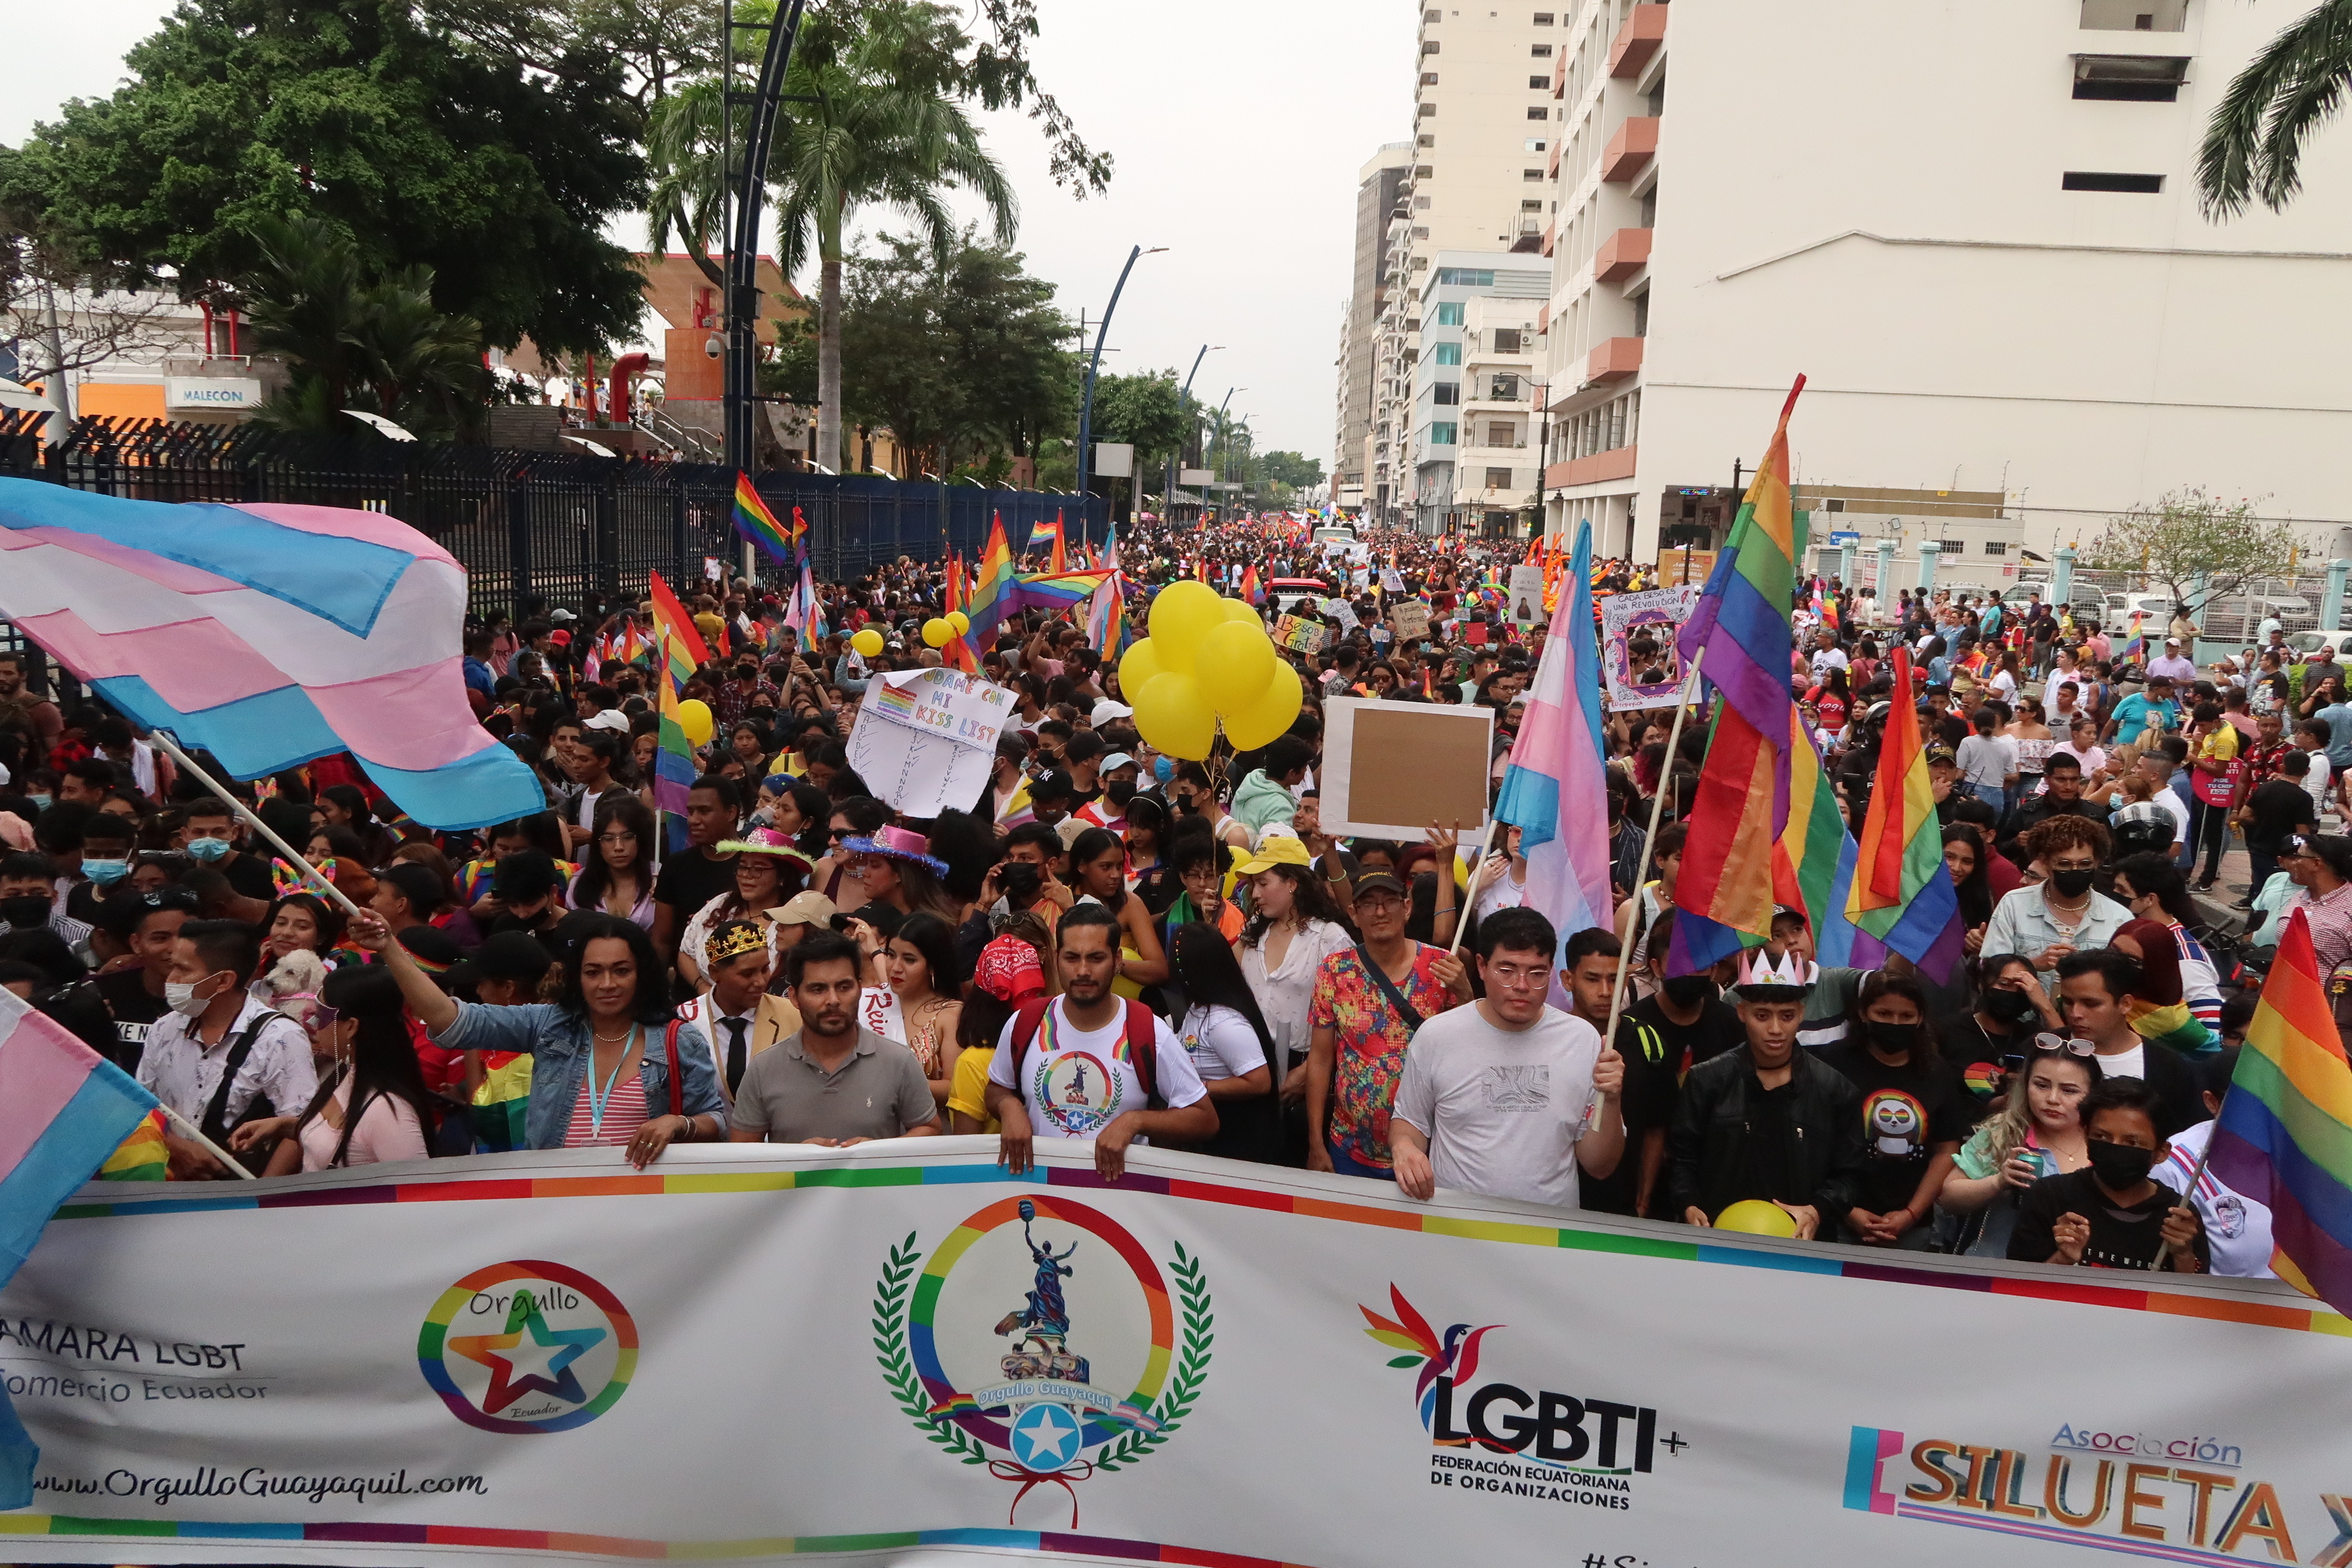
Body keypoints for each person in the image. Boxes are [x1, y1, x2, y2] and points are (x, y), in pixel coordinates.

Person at [357, 908, 723, 1166]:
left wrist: (678, 1123)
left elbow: (716, 1121)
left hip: (644, 1210)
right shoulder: (548, 1025)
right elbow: (451, 1020)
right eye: (593, 972)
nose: (607, 984)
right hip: (554, 1207)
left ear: (642, 974)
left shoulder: (678, 1039)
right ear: (577, 977)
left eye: (621, 970)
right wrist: (389, 948)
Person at [1389, 907, 1624, 1209]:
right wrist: (1404, 1147)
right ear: (1482, 966)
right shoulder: (1437, 1036)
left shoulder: (1582, 1039)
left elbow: (1600, 1165)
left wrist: (1612, 1099)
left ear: (1552, 971)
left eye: (1536, 973)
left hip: (1549, 1228)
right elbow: (1409, 1122)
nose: (1522, 986)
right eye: (1507, 970)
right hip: (1457, 1225)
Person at [987, 904, 1218, 1181]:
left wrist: (1135, 1121)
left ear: (1117, 960)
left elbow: (1204, 1119)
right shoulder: (1026, 1022)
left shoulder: (1149, 1030)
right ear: (1056, 958)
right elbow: (996, 1089)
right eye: (1072, 958)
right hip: (1041, 1194)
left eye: (1096, 958)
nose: (1083, 970)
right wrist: (1009, 1107)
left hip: (1119, 1198)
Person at [1665, 947, 1866, 1238]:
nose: (1775, 1029)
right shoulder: (1706, 1081)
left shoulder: (1835, 1090)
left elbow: (1851, 1174)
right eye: (1762, 1016)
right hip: (1717, 1236)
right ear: (1742, 1012)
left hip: (1801, 1244)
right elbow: (1681, 1159)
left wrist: (1818, 1210)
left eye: (1787, 1016)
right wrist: (1689, 1203)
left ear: (1801, 1014)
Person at [1306, 871, 1471, 1177]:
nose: (1380, 912)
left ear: (1407, 908)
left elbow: (1470, 1046)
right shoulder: (1334, 971)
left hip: (1428, 1148)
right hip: (1350, 1146)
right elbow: (1320, 1058)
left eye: (1390, 901)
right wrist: (1316, 1142)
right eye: (1368, 904)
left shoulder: (1441, 966)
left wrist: (1465, 993)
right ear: (1354, 914)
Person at [133, 917, 319, 1178]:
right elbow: (140, 1106)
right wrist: (175, 1147)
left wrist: (260, 1194)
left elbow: (301, 1128)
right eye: (172, 966)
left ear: (223, 981)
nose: (171, 978)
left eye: (183, 969)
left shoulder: (280, 1037)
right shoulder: (164, 1029)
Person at [727, 931, 940, 1146]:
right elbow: (742, 1151)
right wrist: (796, 1157)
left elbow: (930, 1128)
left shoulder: (898, 1061)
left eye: (844, 987)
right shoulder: (764, 1068)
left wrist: (877, 1152)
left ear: (860, 989)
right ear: (794, 997)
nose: (833, 1000)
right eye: (818, 989)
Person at [1818, 971, 1970, 1248]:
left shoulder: (1937, 1072)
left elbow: (1947, 1149)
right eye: (1884, 1014)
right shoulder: (1831, 1062)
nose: (1895, 1023)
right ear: (1863, 1013)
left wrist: (1911, 1214)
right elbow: (1812, 1143)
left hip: (1912, 1229)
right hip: (1837, 1221)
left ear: (1920, 1018)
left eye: (1906, 1016)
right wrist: (1845, 1210)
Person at [243, 965, 436, 1174]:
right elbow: (335, 1139)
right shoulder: (346, 1073)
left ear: (351, 1027)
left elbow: (416, 1187)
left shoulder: (388, 1112)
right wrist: (283, 1126)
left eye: (321, 1015)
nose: (314, 1023)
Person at [2008, 1077, 2207, 1272]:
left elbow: (2193, 1291)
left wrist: (2183, 1254)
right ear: (2086, 1135)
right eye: (2102, 1137)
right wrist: (2064, 1258)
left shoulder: (2179, 1216)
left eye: (2132, 1142)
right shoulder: (2050, 1196)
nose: (2116, 1148)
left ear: (2161, 1152)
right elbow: (2016, 1284)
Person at [1939, 1036, 2101, 1257]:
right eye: (2041, 1085)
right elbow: (1948, 1198)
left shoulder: (2107, 1140)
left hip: (2081, 1272)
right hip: (1997, 1269)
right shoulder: (2003, 1133)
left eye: (2069, 1091)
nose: (2053, 1098)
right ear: (2025, 1085)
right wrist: (1998, 1182)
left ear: (2093, 1094)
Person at [1237, 832, 1357, 1102]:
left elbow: (1350, 1017)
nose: (1255, 894)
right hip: (1252, 1063)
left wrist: (1308, 1071)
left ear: (1292, 883)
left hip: (1304, 1067)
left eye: (1263, 883)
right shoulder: (1254, 933)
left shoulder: (1329, 938)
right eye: (1254, 885)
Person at [2053, 947, 2204, 1135]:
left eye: (2091, 1004)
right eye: (2068, 1002)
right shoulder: (2042, 1048)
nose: (2076, 1014)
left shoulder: (2168, 1068)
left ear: (2125, 1004)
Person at [2153, 1050, 2275, 1279]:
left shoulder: (2307, 1151)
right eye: (2246, 1102)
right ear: (2212, 1102)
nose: (2261, 1111)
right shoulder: (2176, 1161)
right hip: (2218, 1298)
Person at [1169, 923, 1282, 1162]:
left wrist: (1200, 1088)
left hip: (1236, 1142)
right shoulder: (1199, 1007)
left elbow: (1260, 1082)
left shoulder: (1224, 1024)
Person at [1981, 816, 2130, 988]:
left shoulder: (2119, 918)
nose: (2075, 871)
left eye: (2085, 864)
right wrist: (2032, 965)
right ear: (2045, 862)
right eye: (2064, 864)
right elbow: (1988, 969)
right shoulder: (2014, 904)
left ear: (2097, 861)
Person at [677, 918, 802, 1120]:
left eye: (765, 969)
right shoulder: (684, 1021)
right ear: (715, 973)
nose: (760, 982)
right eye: (747, 974)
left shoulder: (794, 1015)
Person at [678, 827, 812, 989]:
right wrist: (704, 990)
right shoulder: (721, 904)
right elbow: (685, 952)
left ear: (782, 877)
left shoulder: (793, 921)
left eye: (758, 869)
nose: (746, 875)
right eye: (742, 867)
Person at [859, 910, 964, 1108]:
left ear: (933, 966)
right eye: (891, 955)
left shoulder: (950, 1014)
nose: (896, 968)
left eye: (909, 959)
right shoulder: (869, 1000)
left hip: (926, 1124)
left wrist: (895, 1083)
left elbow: (955, 1088)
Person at [1068, 825, 1171, 990]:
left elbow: (1160, 970)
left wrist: (1114, 963)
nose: (1115, 875)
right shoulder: (1062, 900)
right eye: (1105, 867)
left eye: (1119, 866)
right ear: (1081, 866)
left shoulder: (1129, 904)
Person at [653, 776, 741, 965]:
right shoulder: (675, 866)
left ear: (731, 813)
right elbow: (662, 939)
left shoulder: (756, 865)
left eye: (704, 811)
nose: (693, 820)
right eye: (691, 812)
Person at [568, 795, 657, 928]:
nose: (618, 847)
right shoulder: (579, 885)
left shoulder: (658, 877)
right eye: (609, 839)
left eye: (627, 837)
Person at [177, 799, 278, 902]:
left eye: (218, 832)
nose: (208, 838)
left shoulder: (263, 874)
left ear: (234, 833)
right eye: (199, 832)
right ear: (185, 834)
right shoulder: (179, 872)